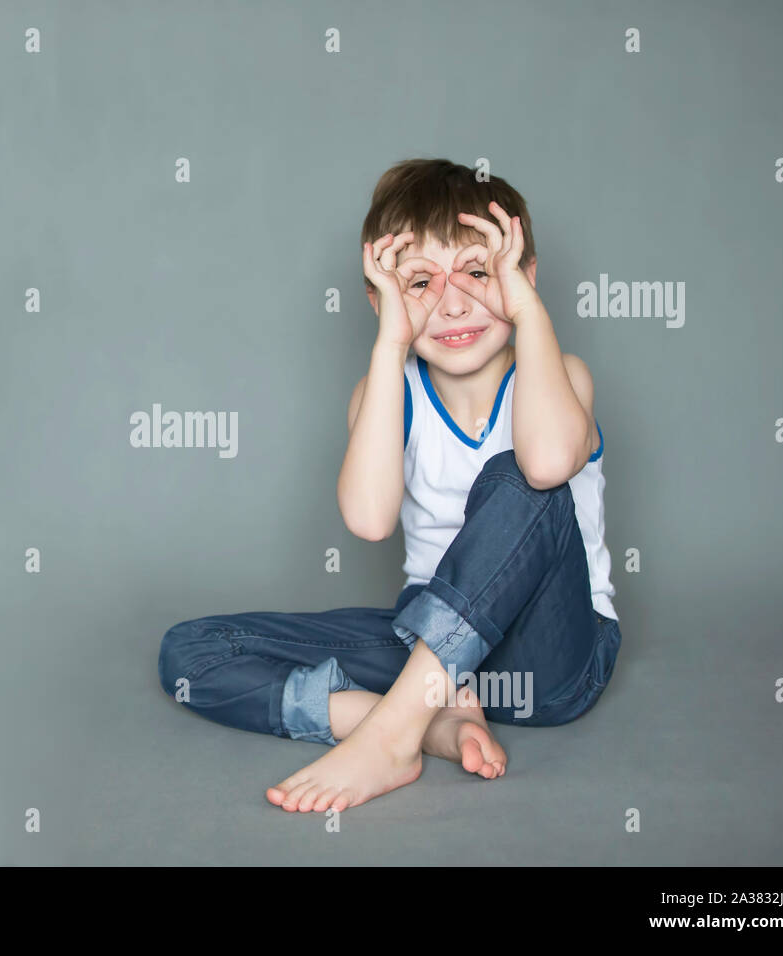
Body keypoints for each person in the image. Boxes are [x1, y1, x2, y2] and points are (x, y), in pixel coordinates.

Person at [158, 158, 621, 813]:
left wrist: (528, 310)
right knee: (192, 652)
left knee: (519, 476)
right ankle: (419, 720)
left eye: (480, 274)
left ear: (523, 278)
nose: (453, 302)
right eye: (421, 283)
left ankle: (391, 736)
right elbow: (370, 519)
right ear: (382, 301)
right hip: (432, 656)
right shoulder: (388, 392)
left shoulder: (561, 374)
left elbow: (546, 466)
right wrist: (387, 349)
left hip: (549, 661)